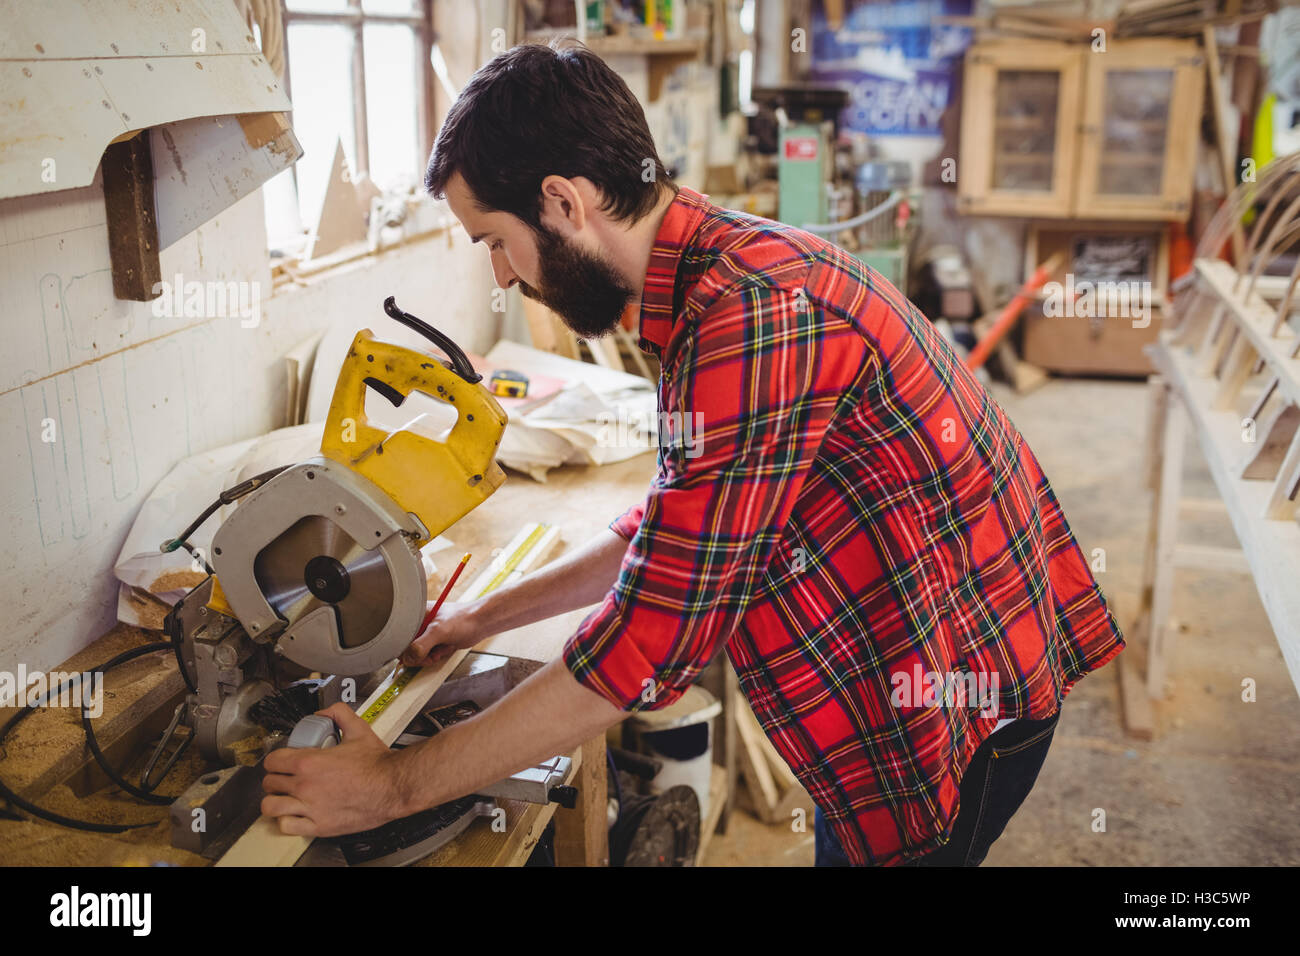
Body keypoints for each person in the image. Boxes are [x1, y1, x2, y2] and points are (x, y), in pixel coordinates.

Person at [261, 42, 1124, 866]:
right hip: (911, 659)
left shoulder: (748, 318)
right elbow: (671, 530)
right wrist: (481, 620)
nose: (501, 276)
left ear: (563, 202)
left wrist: (389, 788)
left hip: (955, 703)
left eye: (493, 240)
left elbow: (651, 640)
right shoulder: (706, 280)